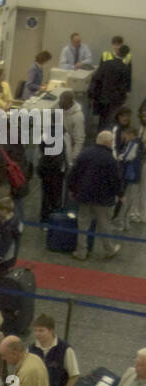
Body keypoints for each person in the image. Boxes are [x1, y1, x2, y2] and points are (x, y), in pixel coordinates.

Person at [69, 131, 124, 261]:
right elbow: (115, 180)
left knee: (83, 224)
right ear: (107, 143)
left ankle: (81, 252)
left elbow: (74, 174)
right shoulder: (110, 159)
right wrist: (120, 194)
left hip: (84, 196)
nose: (112, 144)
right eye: (111, 142)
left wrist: (72, 189)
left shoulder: (85, 154)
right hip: (103, 198)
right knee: (104, 225)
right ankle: (109, 250)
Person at [88, 45, 131, 128]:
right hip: (116, 101)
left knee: (102, 121)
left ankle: (100, 138)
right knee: (112, 122)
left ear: (117, 52)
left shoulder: (106, 64)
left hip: (103, 99)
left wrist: (92, 95)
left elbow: (96, 79)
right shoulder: (125, 69)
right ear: (126, 55)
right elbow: (124, 88)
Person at [0, 196, 21, 276]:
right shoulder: (15, 218)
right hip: (11, 255)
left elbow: (5, 244)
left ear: (5, 210)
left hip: (4, 257)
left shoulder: (7, 228)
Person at [59, 91, 85, 164]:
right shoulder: (63, 110)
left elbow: (79, 139)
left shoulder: (78, 117)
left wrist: (74, 157)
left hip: (69, 148)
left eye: (62, 101)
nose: (59, 103)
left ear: (69, 102)